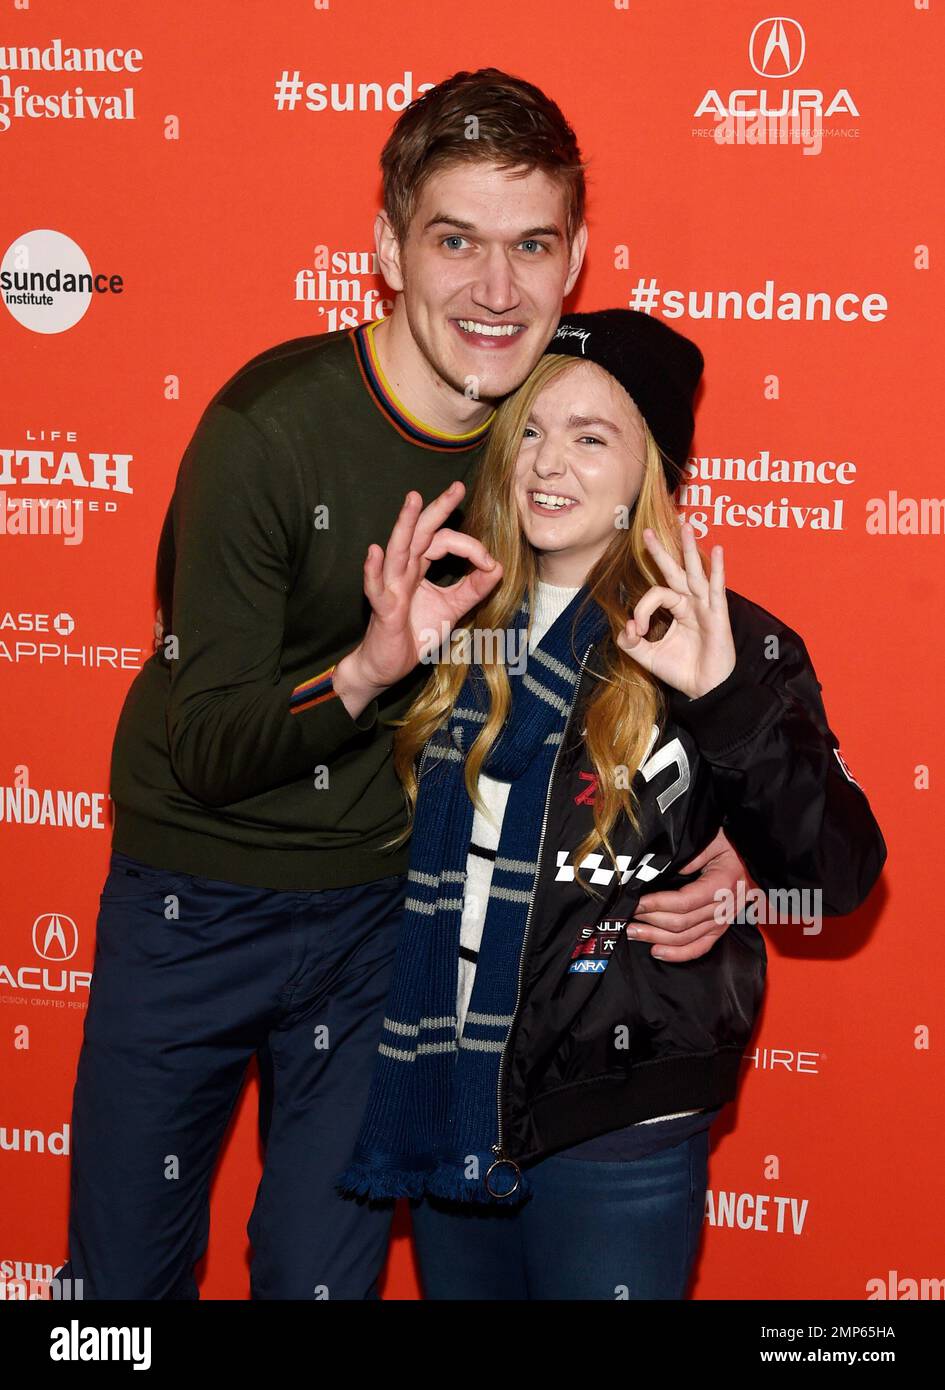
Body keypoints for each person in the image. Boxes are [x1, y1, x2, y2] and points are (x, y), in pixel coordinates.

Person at [57, 69, 751, 1301]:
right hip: (195, 906)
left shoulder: (547, 428)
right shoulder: (264, 429)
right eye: (457, 242)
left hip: (388, 923)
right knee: (120, 1295)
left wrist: (727, 839)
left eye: (531, 246)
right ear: (386, 247)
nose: (497, 291)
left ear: (575, 256)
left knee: (319, 1279)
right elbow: (206, 746)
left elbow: (662, 628)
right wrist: (372, 667)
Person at [336, 307, 888, 1300]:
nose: (550, 462)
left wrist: (725, 699)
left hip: (617, 1122)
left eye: (593, 437)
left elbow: (840, 874)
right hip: (452, 1097)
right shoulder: (444, 614)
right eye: (532, 430)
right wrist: (373, 671)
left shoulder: (720, 640)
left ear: (651, 469)